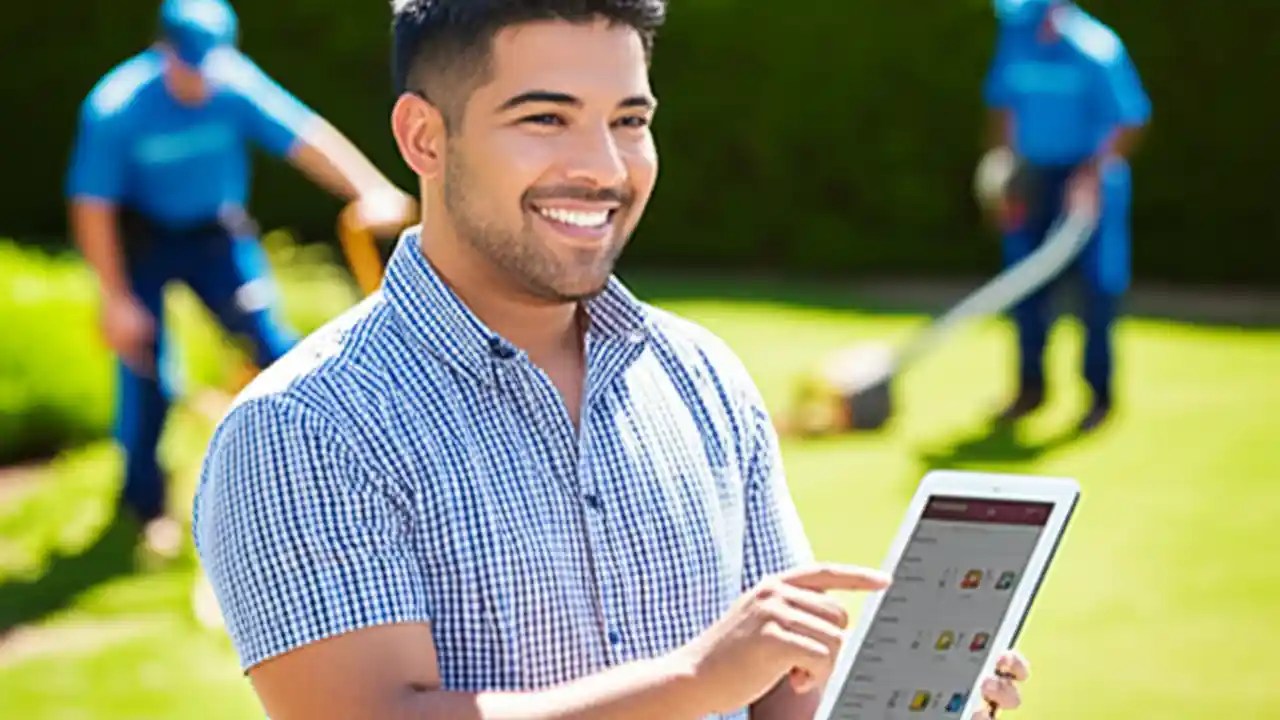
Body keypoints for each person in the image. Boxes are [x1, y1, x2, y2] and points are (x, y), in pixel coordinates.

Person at [193, 2, 1033, 718]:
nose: (603, 167)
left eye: (629, 121)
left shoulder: (702, 376)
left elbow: (780, 691)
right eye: (544, 118)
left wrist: (905, 697)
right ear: (424, 137)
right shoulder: (300, 428)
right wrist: (695, 680)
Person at [65, 0, 415, 554]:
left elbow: (308, 138)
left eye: (212, 68)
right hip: (143, 244)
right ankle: (146, 505)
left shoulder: (234, 83)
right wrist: (116, 298)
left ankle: (315, 484)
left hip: (215, 236)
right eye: (191, 69)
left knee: (277, 353)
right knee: (147, 376)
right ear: (164, 54)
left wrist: (369, 189)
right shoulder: (118, 107)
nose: (203, 83)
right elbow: (92, 206)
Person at [982, 0, 1151, 432]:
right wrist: (1004, 171)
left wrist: (1091, 175)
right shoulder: (1016, 41)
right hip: (1031, 179)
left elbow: (1130, 120)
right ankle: (1030, 389)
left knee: (1097, 292)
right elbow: (1003, 106)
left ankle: (1098, 397)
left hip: (1087, 180)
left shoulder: (1096, 47)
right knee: (1024, 287)